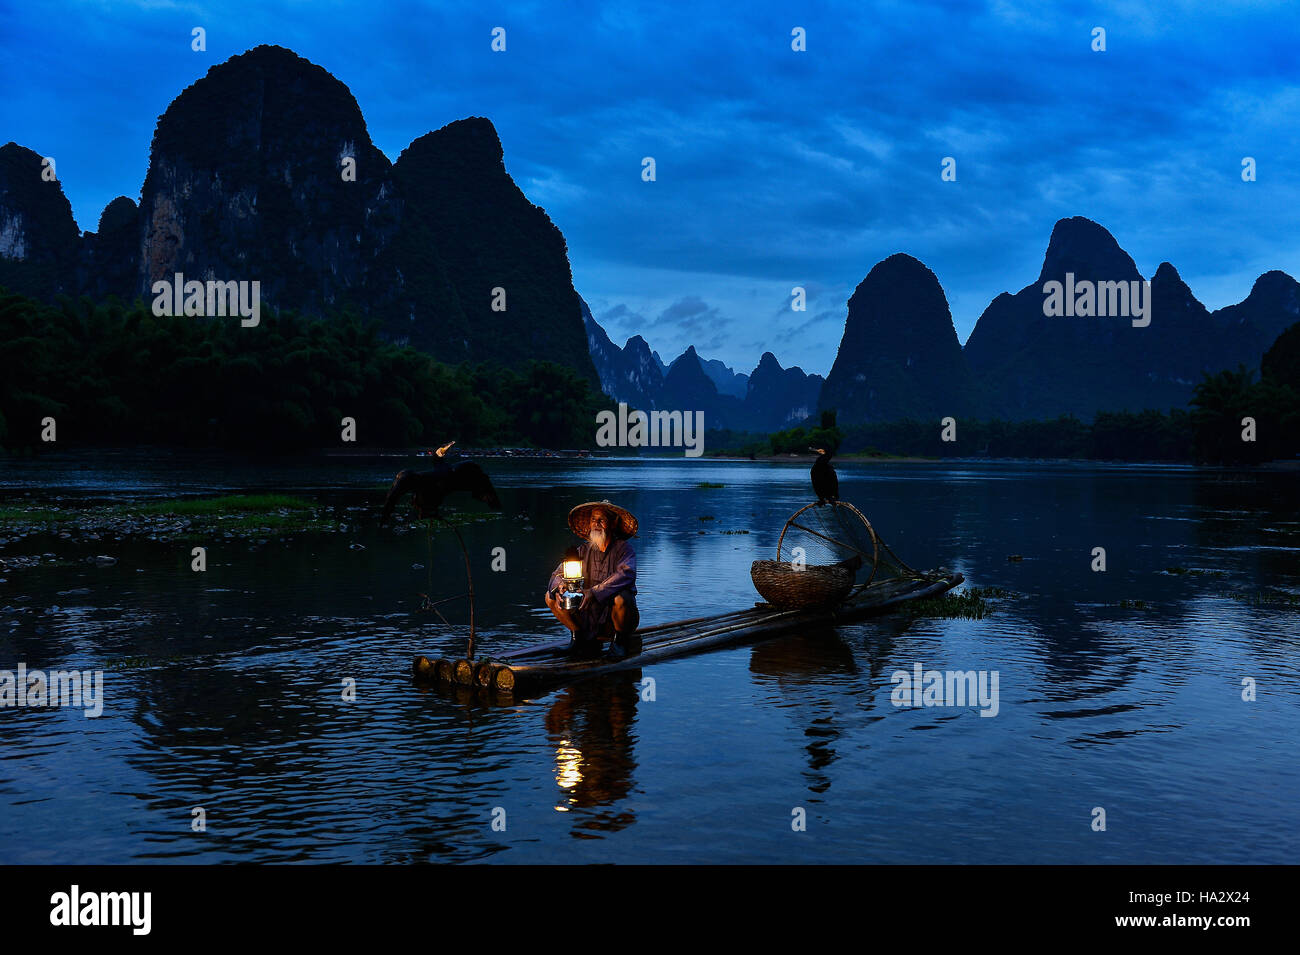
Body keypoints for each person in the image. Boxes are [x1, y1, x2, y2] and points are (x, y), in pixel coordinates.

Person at [545, 501, 641, 660]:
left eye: (601, 520)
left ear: (612, 523)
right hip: (589, 615)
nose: (596, 524)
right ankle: (578, 638)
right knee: (550, 596)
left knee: (621, 598)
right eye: (593, 520)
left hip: (615, 619)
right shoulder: (583, 550)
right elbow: (557, 573)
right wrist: (560, 586)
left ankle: (619, 643)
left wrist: (594, 592)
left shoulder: (624, 549)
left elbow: (627, 573)